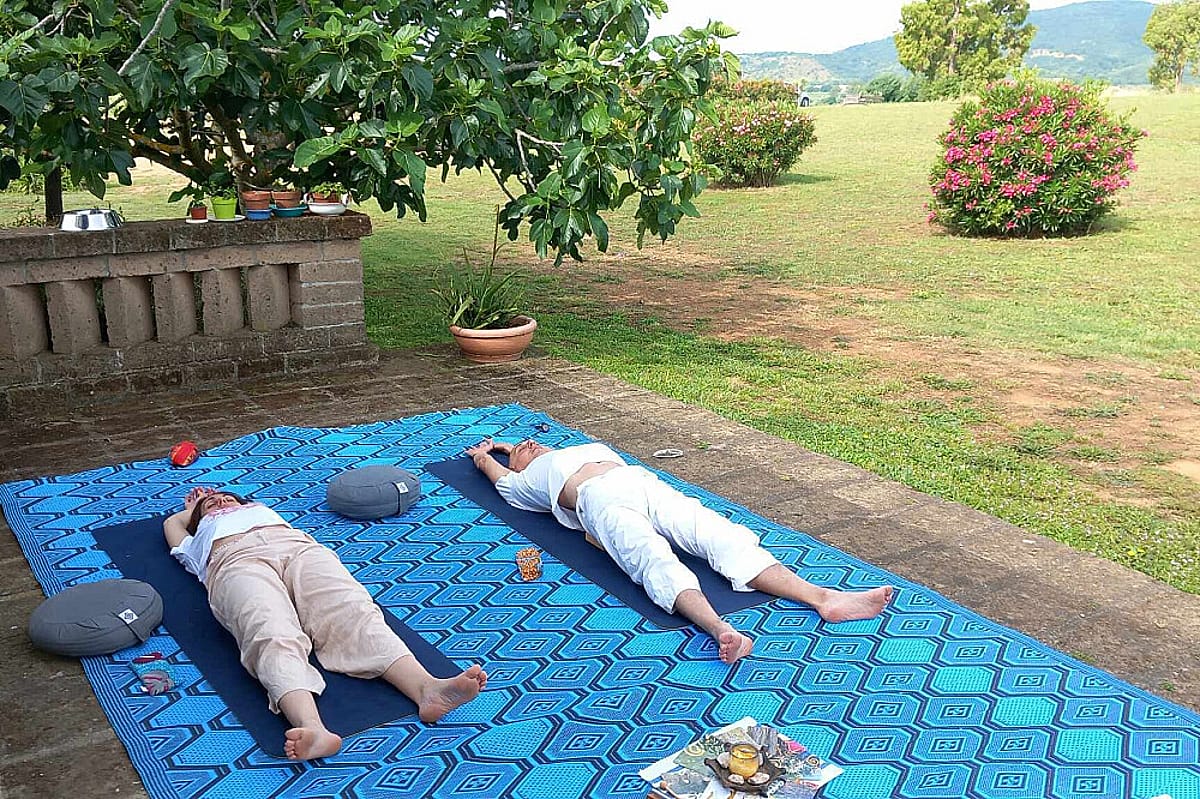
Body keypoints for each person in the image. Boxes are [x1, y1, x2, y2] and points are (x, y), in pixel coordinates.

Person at [466, 438, 894, 665]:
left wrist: (513, 446)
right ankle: (720, 630)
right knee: (651, 560)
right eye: (521, 449)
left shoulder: (573, 449)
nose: (528, 444)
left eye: (529, 441)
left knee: (721, 533)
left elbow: (521, 449)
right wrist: (491, 455)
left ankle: (824, 598)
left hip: (644, 484)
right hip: (601, 502)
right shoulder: (525, 484)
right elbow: (494, 473)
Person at [163, 486, 488, 761]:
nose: (219, 500)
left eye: (226, 497)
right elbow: (172, 526)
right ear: (197, 521)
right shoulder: (196, 543)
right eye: (210, 504)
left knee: (352, 610)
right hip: (235, 561)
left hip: (298, 549)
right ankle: (312, 727)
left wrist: (211, 504)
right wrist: (191, 509)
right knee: (269, 629)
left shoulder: (260, 510)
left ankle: (426, 689)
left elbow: (238, 504)